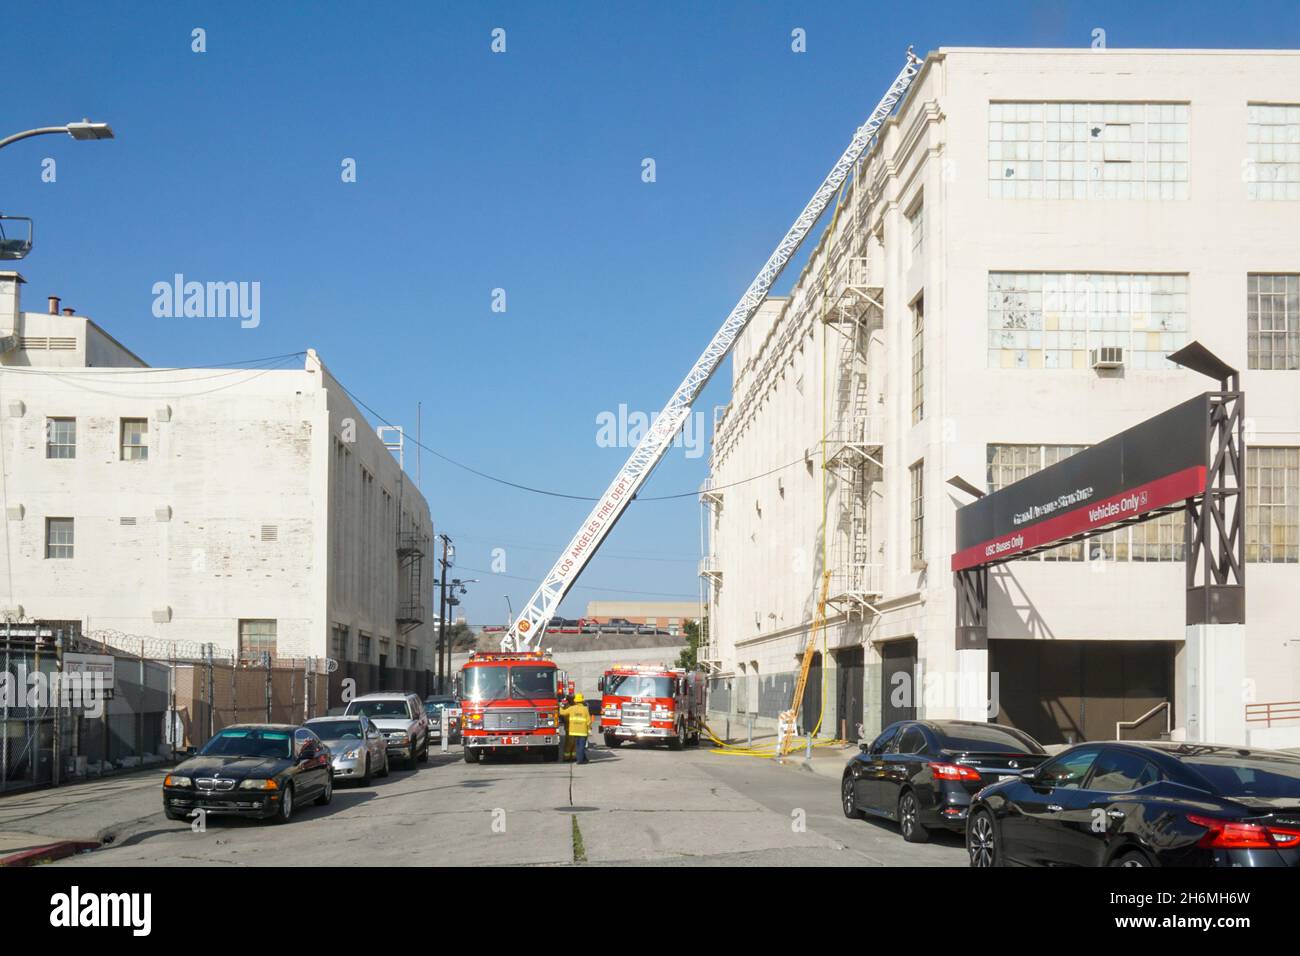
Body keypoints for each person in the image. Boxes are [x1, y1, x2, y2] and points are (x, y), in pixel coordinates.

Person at [561, 693, 592, 764]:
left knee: (577, 745)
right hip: (580, 730)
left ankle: (579, 758)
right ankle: (579, 759)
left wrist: (561, 706)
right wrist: (589, 729)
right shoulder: (584, 709)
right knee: (579, 746)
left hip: (573, 730)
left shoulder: (571, 708)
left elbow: (562, 713)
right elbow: (588, 720)